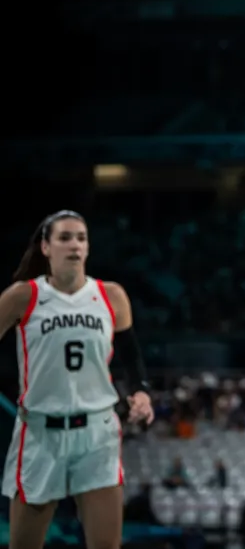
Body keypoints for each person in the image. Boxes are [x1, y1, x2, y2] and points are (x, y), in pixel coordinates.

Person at [0, 210, 154, 549]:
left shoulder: (111, 296)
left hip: (96, 433)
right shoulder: (22, 297)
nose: (75, 245)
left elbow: (131, 360)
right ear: (45, 246)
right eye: (65, 238)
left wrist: (141, 394)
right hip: (39, 433)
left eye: (81, 238)